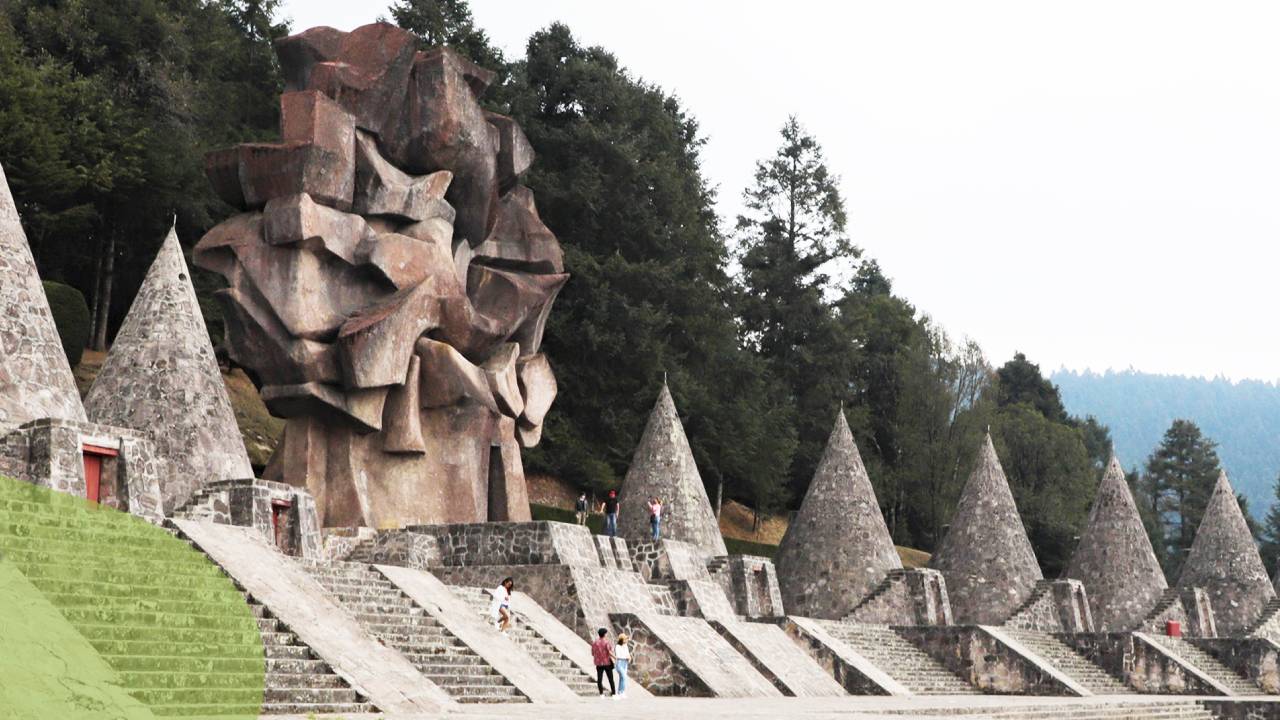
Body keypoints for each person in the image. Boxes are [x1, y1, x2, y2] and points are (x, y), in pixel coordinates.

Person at [591, 627, 616, 697]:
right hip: (607, 662)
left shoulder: (595, 643)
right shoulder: (606, 642)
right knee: (610, 678)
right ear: (604, 634)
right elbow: (609, 652)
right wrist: (615, 658)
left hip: (598, 663)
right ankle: (613, 693)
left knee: (599, 679)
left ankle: (601, 694)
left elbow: (592, 653)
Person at [614, 633, 632, 699]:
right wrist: (626, 657)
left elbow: (627, 654)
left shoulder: (625, 646)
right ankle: (622, 692)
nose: (627, 640)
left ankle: (620, 692)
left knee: (622, 678)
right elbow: (618, 655)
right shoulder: (617, 646)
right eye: (625, 639)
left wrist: (629, 657)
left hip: (625, 663)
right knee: (624, 677)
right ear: (622, 639)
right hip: (620, 662)